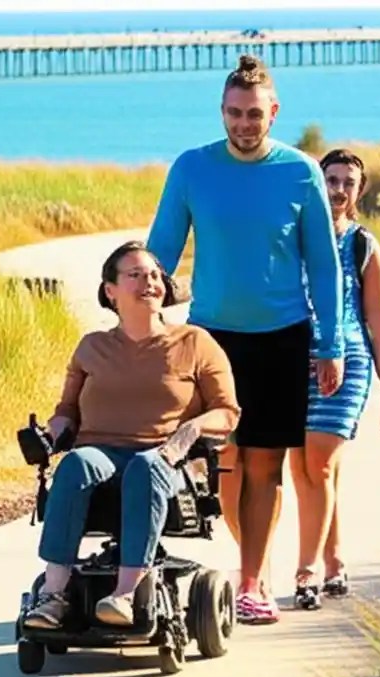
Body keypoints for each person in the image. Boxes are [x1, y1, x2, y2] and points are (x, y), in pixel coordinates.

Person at [146, 54, 345, 625]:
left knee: (266, 463)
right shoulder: (191, 168)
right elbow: (159, 252)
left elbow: (324, 266)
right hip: (211, 341)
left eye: (254, 114)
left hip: (283, 337)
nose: (244, 124)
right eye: (234, 113)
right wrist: (139, 310)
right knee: (223, 462)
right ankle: (245, 557)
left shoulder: (300, 172)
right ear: (222, 112)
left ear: (274, 112)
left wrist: (328, 344)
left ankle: (253, 581)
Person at [21, 241, 240, 631]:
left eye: (154, 275)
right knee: (75, 464)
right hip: (101, 451)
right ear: (111, 290)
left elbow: (227, 412)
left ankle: (123, 595)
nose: (148, 283)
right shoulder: (93, 347)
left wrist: (188, 432)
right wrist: (48, 436)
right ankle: (53, 595)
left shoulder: (194, 343)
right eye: (135, 275)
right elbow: (67, 413)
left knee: (144, 466)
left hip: (165, 457)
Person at [289, 148, 380, 610]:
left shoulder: (362, 244)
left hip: (349, 359)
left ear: (358, 191)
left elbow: (379, 317)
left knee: (317, 462)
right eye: (329, 180)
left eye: (346, 183)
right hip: (293, 359)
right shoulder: (294, 236)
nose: (336, 190)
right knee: (309, 470)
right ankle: (333, 560)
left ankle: (306, 572)